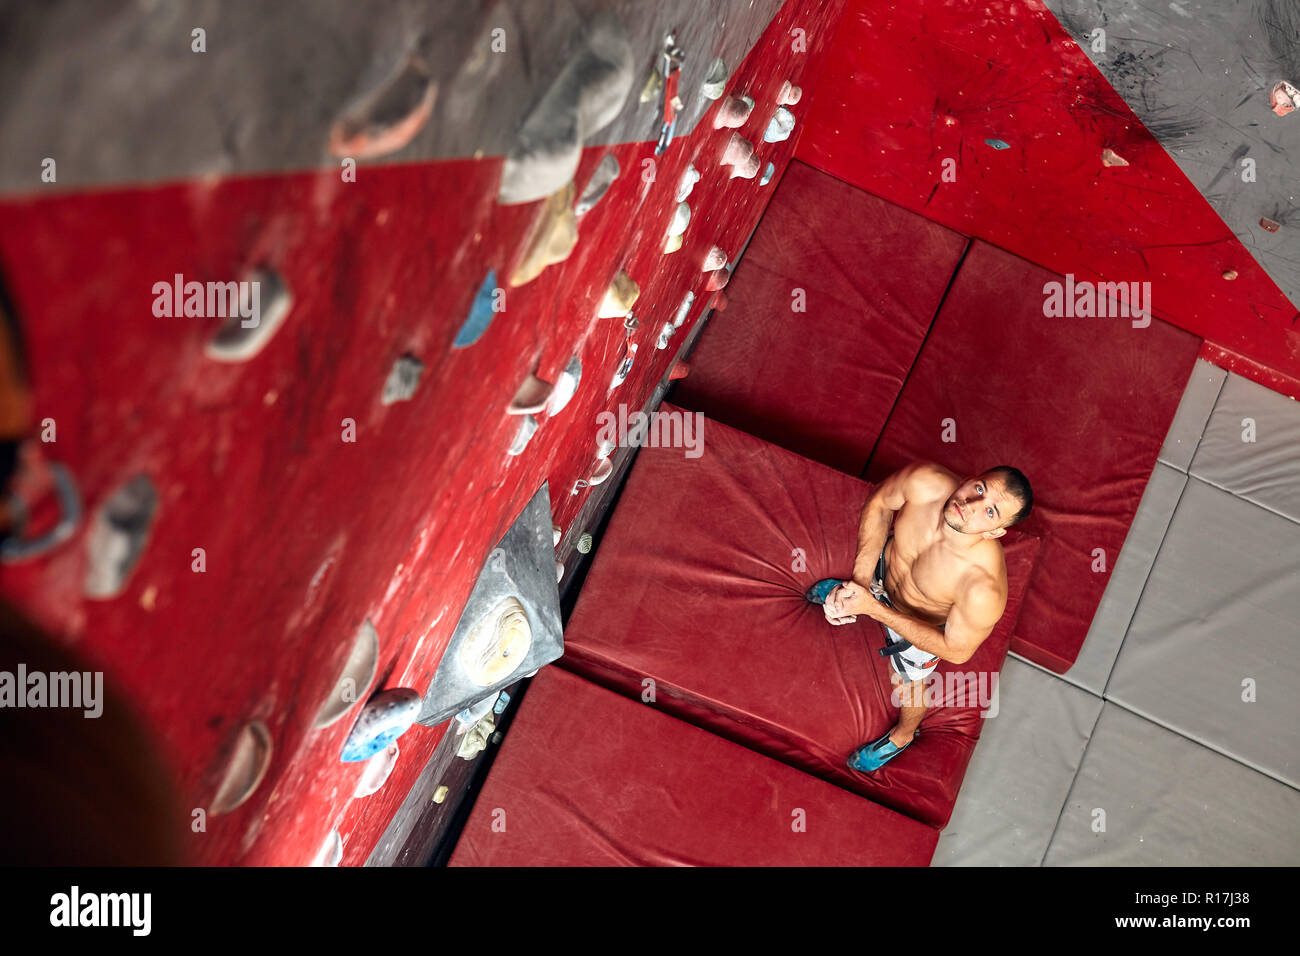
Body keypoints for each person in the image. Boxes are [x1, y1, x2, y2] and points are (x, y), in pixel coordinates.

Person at [806, 461, 1032, 771]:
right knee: (859, 578)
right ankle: (853, 593)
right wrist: (858, 584)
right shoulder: (925, 481)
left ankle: (903, 735)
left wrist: (872, 608)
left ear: (995, 531)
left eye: (991, 511)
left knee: (907, 684)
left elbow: (957, 651)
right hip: (883, 570)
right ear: (970, 477)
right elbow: (880, 504)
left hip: (919, 623)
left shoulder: (983, 586)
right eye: (980, 489)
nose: (972, 504)